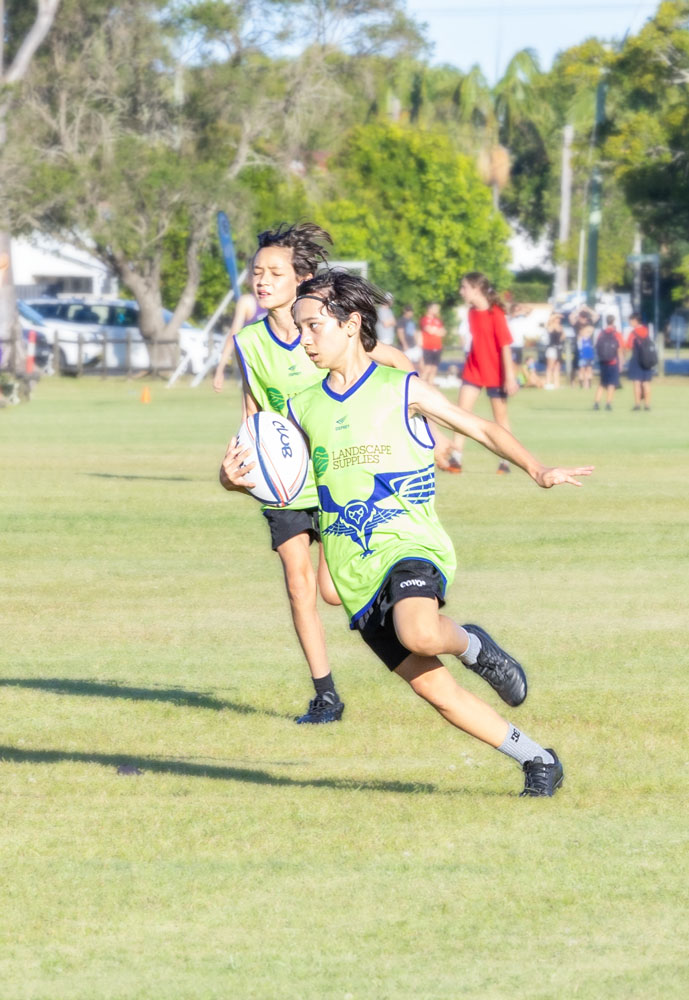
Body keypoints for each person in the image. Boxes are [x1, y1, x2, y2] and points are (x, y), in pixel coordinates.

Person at [288, 269, 594, 796]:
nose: (304, 340)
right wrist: (234, 477)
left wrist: (537, 469)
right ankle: (539, 759)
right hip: (355, 570)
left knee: (422, 632)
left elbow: (480, 427)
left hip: (410, 547)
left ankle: (474, 644)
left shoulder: (397, 386)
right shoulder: (303, 407)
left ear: (350, 323)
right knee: (439, 693)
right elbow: (276, 475)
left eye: (313, 326)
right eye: (300, 329)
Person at [218, 222, 417, 725]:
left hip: (335, 476)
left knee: (334, 590)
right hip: (283, 483)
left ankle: (415, 630)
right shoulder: (249, 342)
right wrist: (239, 468)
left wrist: (415, 410)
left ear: (301, 276)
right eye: (256, 272)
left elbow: (393, 361)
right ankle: (325, 693)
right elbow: (253, 412)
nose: (262, 281)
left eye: (273, 272)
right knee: (298, 585)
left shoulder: (325, 330)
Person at [448, 271, 519, 475]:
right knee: (461, 414)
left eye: (464, 288)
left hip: (497, 373)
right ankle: (456, 458)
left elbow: (505, 346)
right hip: (474, 369)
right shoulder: (471, 313)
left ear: (476, 289)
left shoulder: (495, 312)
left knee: (501, 419)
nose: (461, 291)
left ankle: (505, 461)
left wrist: (510, 376)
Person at [213, 291, 267, 392]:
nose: (260, 281)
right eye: (255, 274)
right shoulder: (248, 302)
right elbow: (233, 336)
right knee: (250, 406)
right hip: (254, 370)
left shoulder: (286, 298)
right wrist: (220, 368)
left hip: (280, 368)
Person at [593, 314, 625, 411]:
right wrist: (621, 363)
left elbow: (597, 346)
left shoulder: (601, 333)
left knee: (602, 383)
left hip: (603, 362)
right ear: (614, 322)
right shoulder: (617, 334)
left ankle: (596, 403)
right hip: (613, 362)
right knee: (611, 384)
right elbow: (620, 349)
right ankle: (608, 403)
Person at [625, 313, 654, 411]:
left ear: (635, 321)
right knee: (646, 383)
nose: (629, 322)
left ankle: (637, 404)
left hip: (636, 360)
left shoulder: (633, 333)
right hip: (647, 360)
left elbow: (628, 346)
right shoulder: (647, 331)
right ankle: (647, 405)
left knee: (637, 383)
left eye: (630, 320)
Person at [419, 302, 445, 385]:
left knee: (434, 369)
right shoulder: (425, 319)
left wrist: (435, 330)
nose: (437, 310)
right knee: (427, 368)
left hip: (438, 347)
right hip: (428, 347)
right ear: (430, 309)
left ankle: (430, 386)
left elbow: (443, 332)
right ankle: (421, 385)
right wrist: (436, 331)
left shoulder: (438, 320)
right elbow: (429, 330)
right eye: (435, 308)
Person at [544, 312, 564, 389]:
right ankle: (548, 382)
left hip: (558, 348)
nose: (558, 319)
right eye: (557, 318)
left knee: (557, 366)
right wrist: (555, 315)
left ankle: (556, 384)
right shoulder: (551, 326)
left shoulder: (560, 327)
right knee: (550, 366)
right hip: (551, 348)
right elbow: (548, 323)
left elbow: (563, 336)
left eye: (559, 318)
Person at [577, 321, 596, 390]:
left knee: (589, 370)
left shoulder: (589, 339)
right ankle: (582, 384)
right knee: (582, 370)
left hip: (589, 357)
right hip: (583, 357)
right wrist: (583, 331)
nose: (587, 333)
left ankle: (588, 383)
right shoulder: (580, 339)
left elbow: (591, 329)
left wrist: (587, 329)